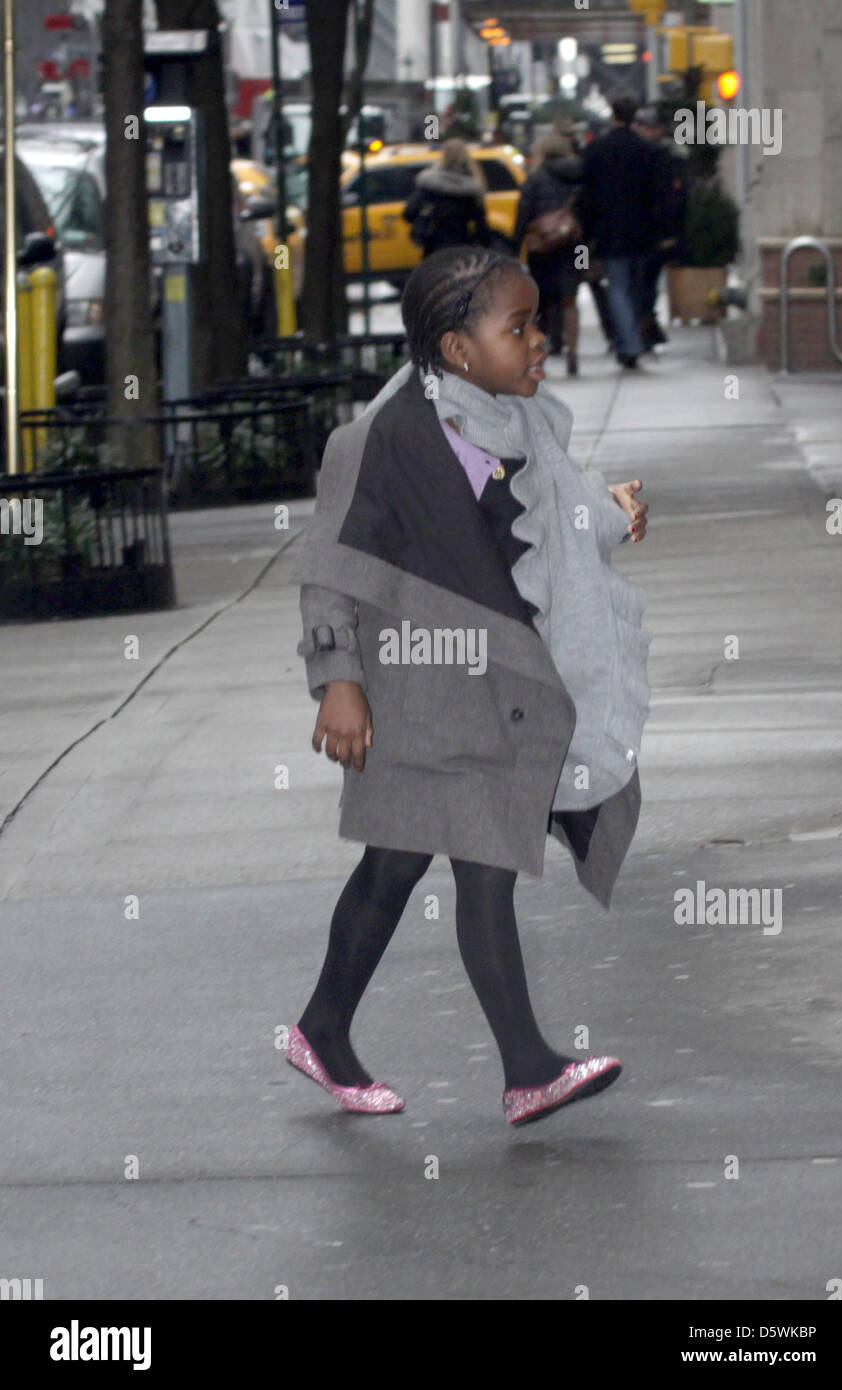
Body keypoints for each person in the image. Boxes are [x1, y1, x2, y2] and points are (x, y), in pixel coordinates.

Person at [285, 246, 651, 1128]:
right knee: (475, 863)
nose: (538, 342)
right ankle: (526, 1068)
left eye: (536, 321)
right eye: (517, 327)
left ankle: (322, 1028)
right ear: (455, 349)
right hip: (409, 694)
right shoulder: (381, 438)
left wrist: (607, 513)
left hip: (490, 685)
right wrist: (338, 681)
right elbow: (329, 567)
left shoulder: (516, 422)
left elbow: (533, 523)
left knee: (399, 865)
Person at [579, 94, 667, 368]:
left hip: (609, 231)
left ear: (613, 116)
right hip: (642, 232)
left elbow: (587, 196)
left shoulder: (596, 151)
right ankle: (635, 337)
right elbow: (659, 194)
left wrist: (588, 236)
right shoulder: (648, 151)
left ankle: (628, 343)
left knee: (617, 288)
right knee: (639, 288)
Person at [513, 132, 584, 375]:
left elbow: (523, 213)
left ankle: (540, 356)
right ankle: (573, 354)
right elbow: (589, 209)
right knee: (569, 301)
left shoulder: (535, 179)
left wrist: (516, 245)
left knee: (540, 304)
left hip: (542, 247)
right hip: (573, 247)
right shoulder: (579, 176)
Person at [634, 105, 688, 350]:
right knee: (644, 282)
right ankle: (642, 325)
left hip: (650, 231)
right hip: (650, 231)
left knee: (643, 282)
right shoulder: (660, 155)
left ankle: (641, 325)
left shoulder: (659, 155)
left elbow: (673, 196)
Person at [402, 138, 492, 257]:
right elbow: (482, 227)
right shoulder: (472, 189)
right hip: (461, 246)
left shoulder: (429, 184)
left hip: (433, 245)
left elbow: (408, 213)